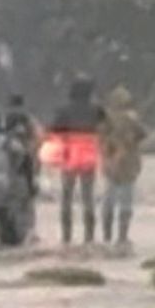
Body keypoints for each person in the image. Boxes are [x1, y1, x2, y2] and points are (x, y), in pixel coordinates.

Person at [47, 77, 104, 246]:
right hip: (89, 156)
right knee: (88, 197)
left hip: (69, 155)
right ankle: (89, 237)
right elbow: (106, 127)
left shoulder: (63, 110)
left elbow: (54, 130)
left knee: (66, 197)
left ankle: (66, 237)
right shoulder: (97, 110)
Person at [99, 86, 146, 248]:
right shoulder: (132, 119)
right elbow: (142, 135)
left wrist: (107, 158)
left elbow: (100, 140)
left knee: (109, 201)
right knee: (125, 202)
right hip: (128, 166)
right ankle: (122, 237)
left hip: (110, 164)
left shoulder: (105, 119)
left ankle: (106, 238)